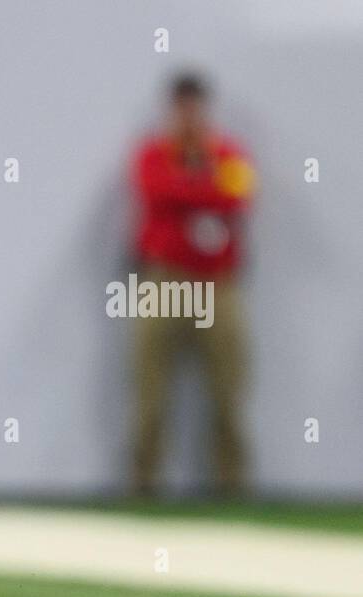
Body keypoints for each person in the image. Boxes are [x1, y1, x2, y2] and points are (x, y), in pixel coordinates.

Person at [130, 73, 254, 497]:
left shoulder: (228, 153)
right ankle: (143, 486)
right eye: (181, 107)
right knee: (150, 391)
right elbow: (155, 192)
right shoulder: (153, 154)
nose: (188, 116)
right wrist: (204, 187)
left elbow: (238, 196)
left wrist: (191, 188)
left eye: (194, 107)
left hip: (218, 284)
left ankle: (232, 487)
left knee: (229, 391)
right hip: (164, 279)